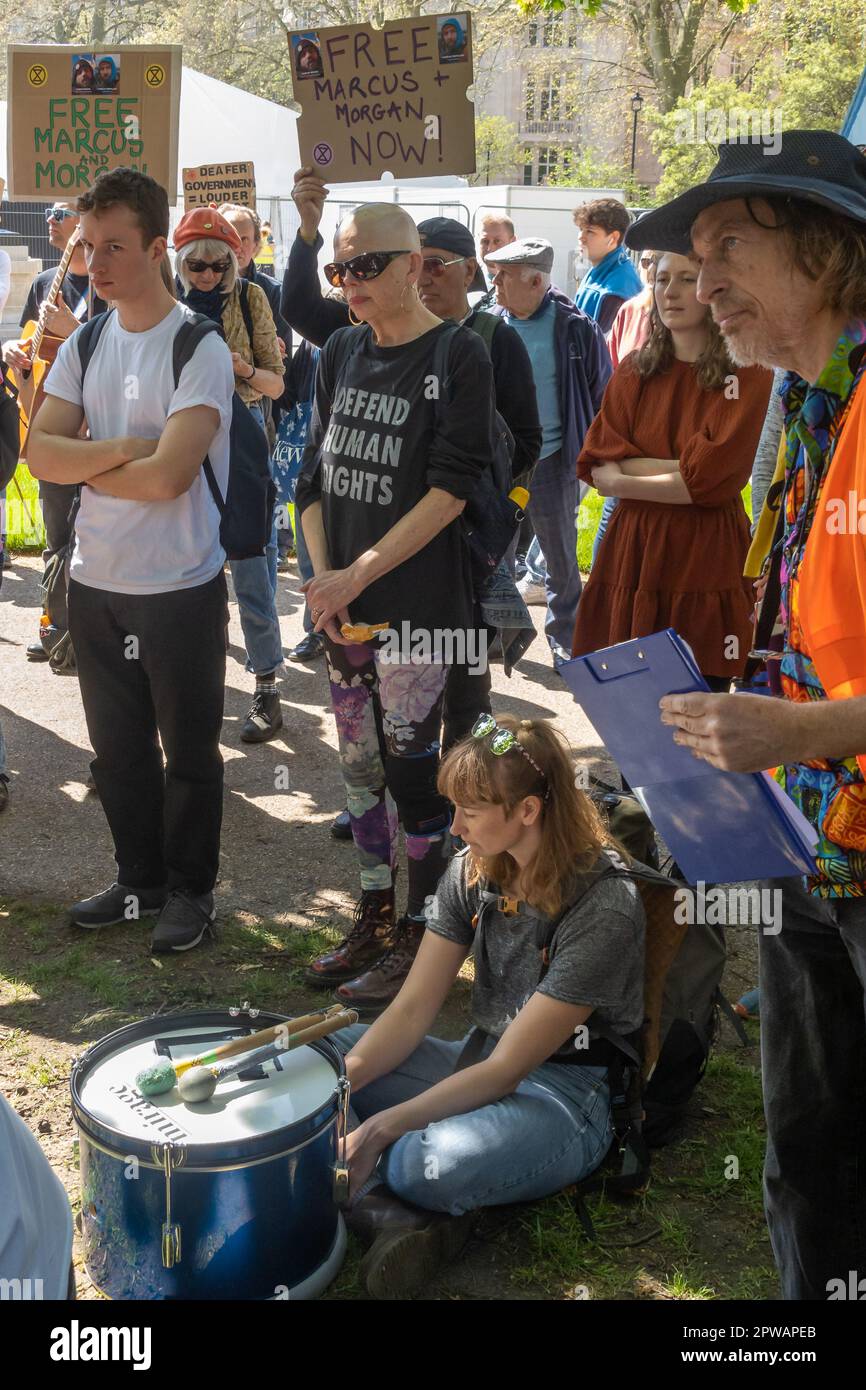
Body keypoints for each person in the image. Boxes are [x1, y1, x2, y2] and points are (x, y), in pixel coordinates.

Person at [628, 130, 866, 1300]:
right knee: (804, 1152)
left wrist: (806, 735)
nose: (697, 276)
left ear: (824, 248)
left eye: (727, 245)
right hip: (798, 847)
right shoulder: (796, 407)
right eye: (693, 251)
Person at [329, 715, 645, 1299]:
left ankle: (391, 1195)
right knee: (325, 1060)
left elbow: (509, 1071)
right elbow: (413, 1008)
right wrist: (337, 1092)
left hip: (566, 1092)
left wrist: (377, 1127)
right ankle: (396, 1214)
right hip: (477, 1060)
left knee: (425, 1162)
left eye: (471, 811)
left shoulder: (606, 905)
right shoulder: (473, 869)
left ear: (527, 810)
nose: (456, 826)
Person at [27, 166, 235, 953]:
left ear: (157, 249)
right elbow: (39, 454)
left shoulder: (198, 345)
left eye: (114, 246)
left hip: (178, 585)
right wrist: (117, 451)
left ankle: (191, 893)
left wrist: (85, 458)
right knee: (116, 753)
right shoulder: (87, 337)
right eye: (88, 246)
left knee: (187, 754)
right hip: (93, 580)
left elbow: (170, 477)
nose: (97, 261)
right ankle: (138, 880)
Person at [295, 201, 497, 1010]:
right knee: (357, 774)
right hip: (342, 611)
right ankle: (375, 912)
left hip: (418, 614)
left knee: (417, 778)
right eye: (339, 270)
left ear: (415, 265)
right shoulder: (340, 349)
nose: (350, 286)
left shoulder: (460, 353)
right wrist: (324, 583)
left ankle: (424, 931)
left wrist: (357, 576)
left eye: (365, 267)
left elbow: (452, 489)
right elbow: (312, 478)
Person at [572, 249, 772, 687]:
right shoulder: (633, 370)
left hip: (704, 552)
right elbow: (598, 466)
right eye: (662, 280)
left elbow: (712, 483)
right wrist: (685, 471)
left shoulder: (748, 374)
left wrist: (628, 473)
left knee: (702, 702)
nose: (670, 292)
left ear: (713, 288)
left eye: (686, 278)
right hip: (635, 548)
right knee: (631, 699)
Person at [174, 205, 286, 744]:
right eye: (198, 265)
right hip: (183, 449)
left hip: (242, 451)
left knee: (251, 569)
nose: (209, 276)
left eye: (220, 264)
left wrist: (239, 368)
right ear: (179, 264)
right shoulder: (164, 306)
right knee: (187, 577)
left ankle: (267, 686)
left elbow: (277, 386)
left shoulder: (250, 297)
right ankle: (195, 691)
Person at [485, 237, 611, 664]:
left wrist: (593, 452)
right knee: (493, 557)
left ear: (536, 281)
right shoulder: (489, 324)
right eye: (495, 273)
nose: (495, 282)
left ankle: (565, 637)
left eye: (504, 275)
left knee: (559, 559)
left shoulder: (575, 327)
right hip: (500, 465)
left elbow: (602, 392)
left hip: (554, 461)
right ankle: (499, 635)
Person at [3, 201, 107, 662]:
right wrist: (12, 349)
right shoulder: (48, 281)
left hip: (99, 426)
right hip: (53, 423)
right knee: (55, 537)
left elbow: (119, 344)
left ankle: (92, 634)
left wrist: (76, 328)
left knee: (92, 535)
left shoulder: (109, 283)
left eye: (60, 212)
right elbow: (31, 336)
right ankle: (55, 626)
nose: (51, 220)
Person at [591, 249, 658, 565]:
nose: (652, 269)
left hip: (663, 462)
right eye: (646, 261)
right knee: (606, 551)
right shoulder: (630, 312)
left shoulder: (698, 321)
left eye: (660, 259)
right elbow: (610, 384)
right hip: (623, 453)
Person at [573, 198, 644, 335]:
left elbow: (602, 350)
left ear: (613, 238)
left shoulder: (616, 291)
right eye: (581, 229)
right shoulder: (599, 270)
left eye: (590, 231)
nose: (581, 237)